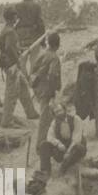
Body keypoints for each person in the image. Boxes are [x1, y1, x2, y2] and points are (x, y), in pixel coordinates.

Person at [0, 7, 38, 126]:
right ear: (12, 17)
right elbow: (9, 48)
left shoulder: (7, 29)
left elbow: (11, 47)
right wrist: (18, 61)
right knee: (12, 93)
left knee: (24, 87)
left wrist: (21, 49)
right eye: (15, 16)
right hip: (12, 65)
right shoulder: (10, 31)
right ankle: (7, 121)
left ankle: (31, 113)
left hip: (11, 63)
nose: (17, 18)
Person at [31, 30, 63, 162]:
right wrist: (54, 89)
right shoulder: (54, 57)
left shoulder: (42, 54)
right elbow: (52, 75)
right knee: (45, 119)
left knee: (48, 117)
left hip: (39, 90)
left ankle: (47, 143)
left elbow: (32, 71)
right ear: (58, 45)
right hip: (47, 91)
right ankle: (40, 146)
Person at [39, 94, 85, 178]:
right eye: (56, 112)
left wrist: (68, 152)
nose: (59, 113)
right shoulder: (54, 122)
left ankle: (64, 168)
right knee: (44, 145)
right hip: (62, 149)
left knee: (78, 147)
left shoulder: (76, 119)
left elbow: (76, 139)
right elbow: (50, 137)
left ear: (64, 110)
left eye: (60, 110)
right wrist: (58, 144)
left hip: (74, 149)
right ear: (54, 114)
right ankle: (45, 172)